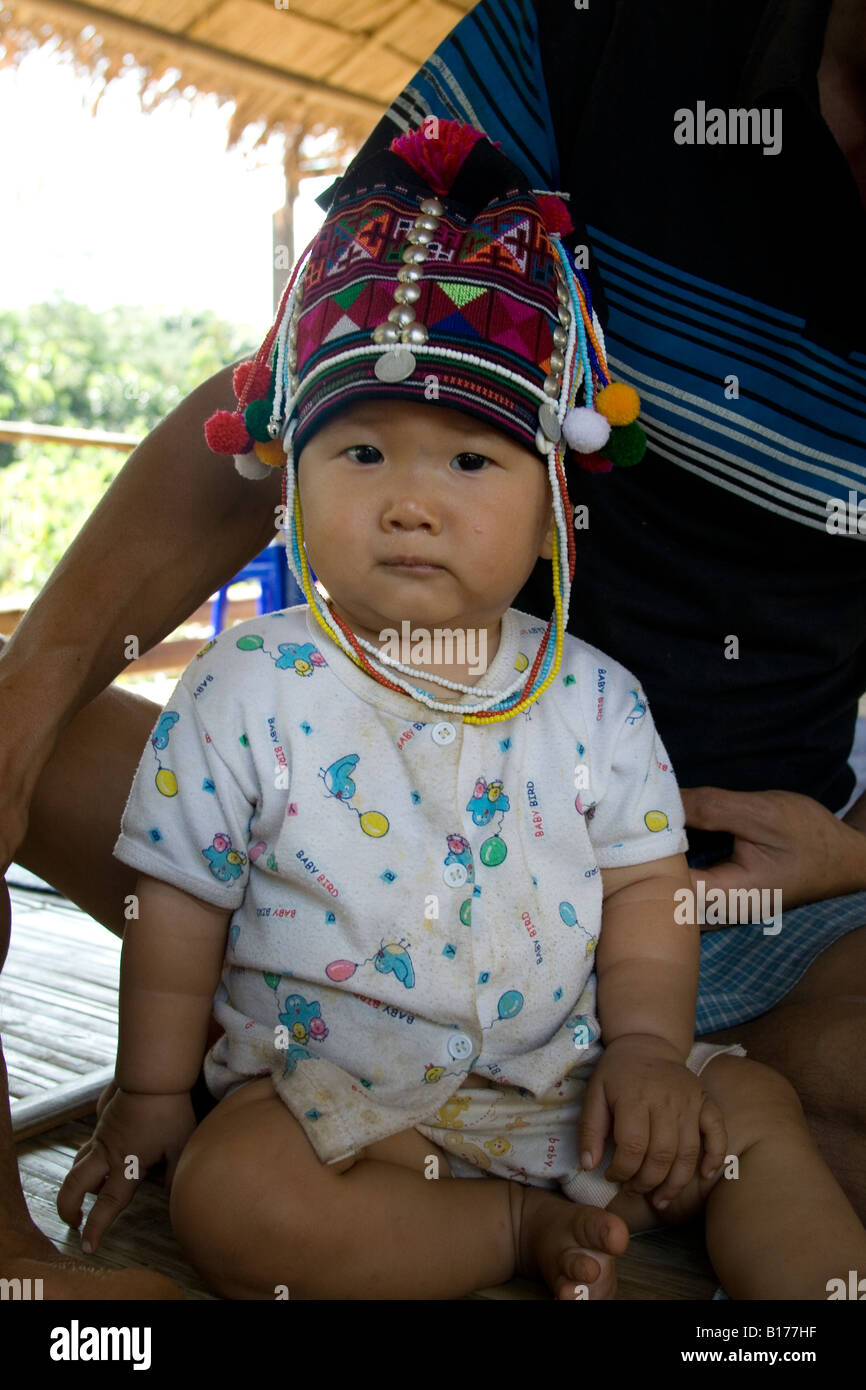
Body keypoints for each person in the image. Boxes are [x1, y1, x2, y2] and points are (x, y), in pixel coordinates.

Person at [0, 0, 863, 1297]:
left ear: (558, 507)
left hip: (728, 940)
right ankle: (516, 1220)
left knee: (755, 1127)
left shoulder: (600, 706)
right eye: (359, 454)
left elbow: (642, 905)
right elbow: (177, 904)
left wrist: (658, 1028)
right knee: (244, 1185)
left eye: (470, 459)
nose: (410, 499)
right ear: (289, 470)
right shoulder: (250, 691)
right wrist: (151, 1089)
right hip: (342, 1048)